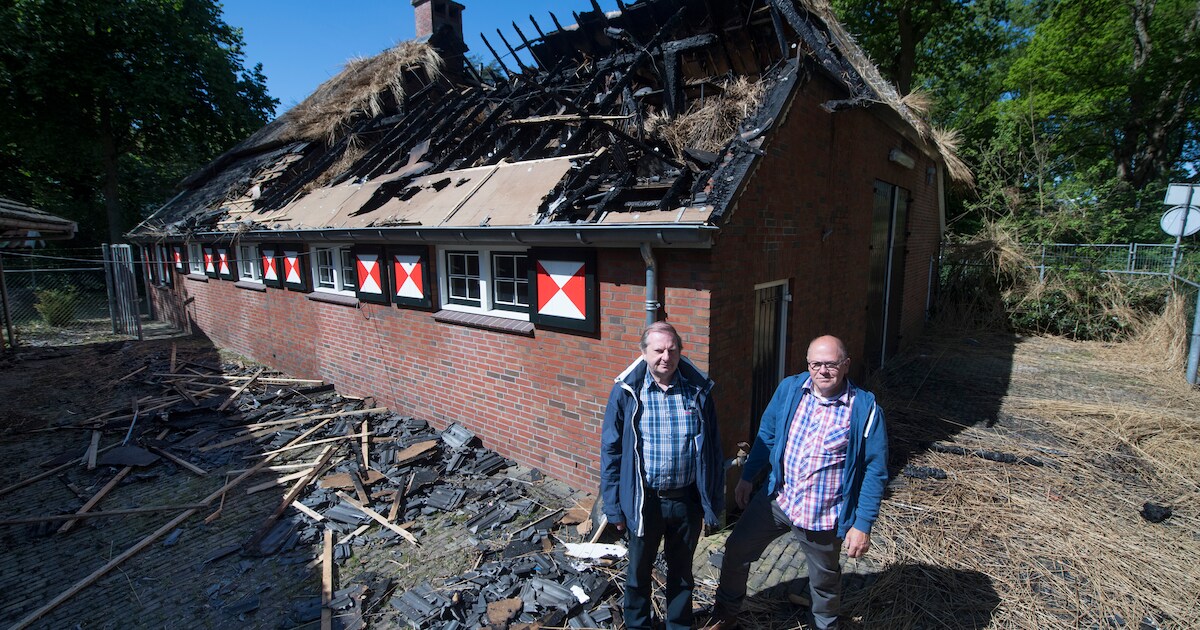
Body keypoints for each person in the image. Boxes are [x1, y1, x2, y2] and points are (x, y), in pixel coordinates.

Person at [702, 335, 888, 630]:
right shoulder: (791, 389)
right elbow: (768, 434)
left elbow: (875, 470)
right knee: (736, 551)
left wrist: (862, 523)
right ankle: (726, 612)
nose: (822, 371)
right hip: (778, 500)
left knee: (824, 583)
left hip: (823, 515)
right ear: (808, 363)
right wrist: (748, 477)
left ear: (846, 365)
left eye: (831, 364)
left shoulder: (863, 410)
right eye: (816, 364)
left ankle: (823, 625)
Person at [601, 321, 725, 630]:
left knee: (681, 573)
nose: (665, 357)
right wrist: (614, 507)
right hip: (645, 501)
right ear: (643, 353)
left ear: (680, 352)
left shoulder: (698, 391)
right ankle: (638, 625)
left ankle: (679, 626)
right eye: (658, 350)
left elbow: (713, 448)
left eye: (672, 350)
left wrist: (714, 500)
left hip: (686, 501)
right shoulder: (627, 392)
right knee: (638, 572)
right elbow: (611, 452)